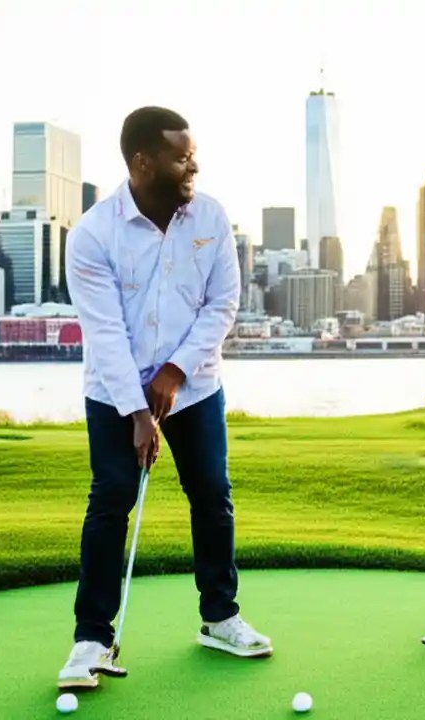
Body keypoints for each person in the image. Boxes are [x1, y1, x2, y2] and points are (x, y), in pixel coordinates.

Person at [56, 106, 271, 690]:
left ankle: (219, 617)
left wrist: (173, 374)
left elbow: (221, 306)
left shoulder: (211, 216)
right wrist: (136, 411)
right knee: (112, 498)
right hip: (113, 389)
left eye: (192, 153)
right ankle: (91, 639)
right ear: (142, 163)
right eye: (181, 156)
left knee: (212, 493)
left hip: (195, 384)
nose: (193, 164)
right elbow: (104, 333)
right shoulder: (93, 234)